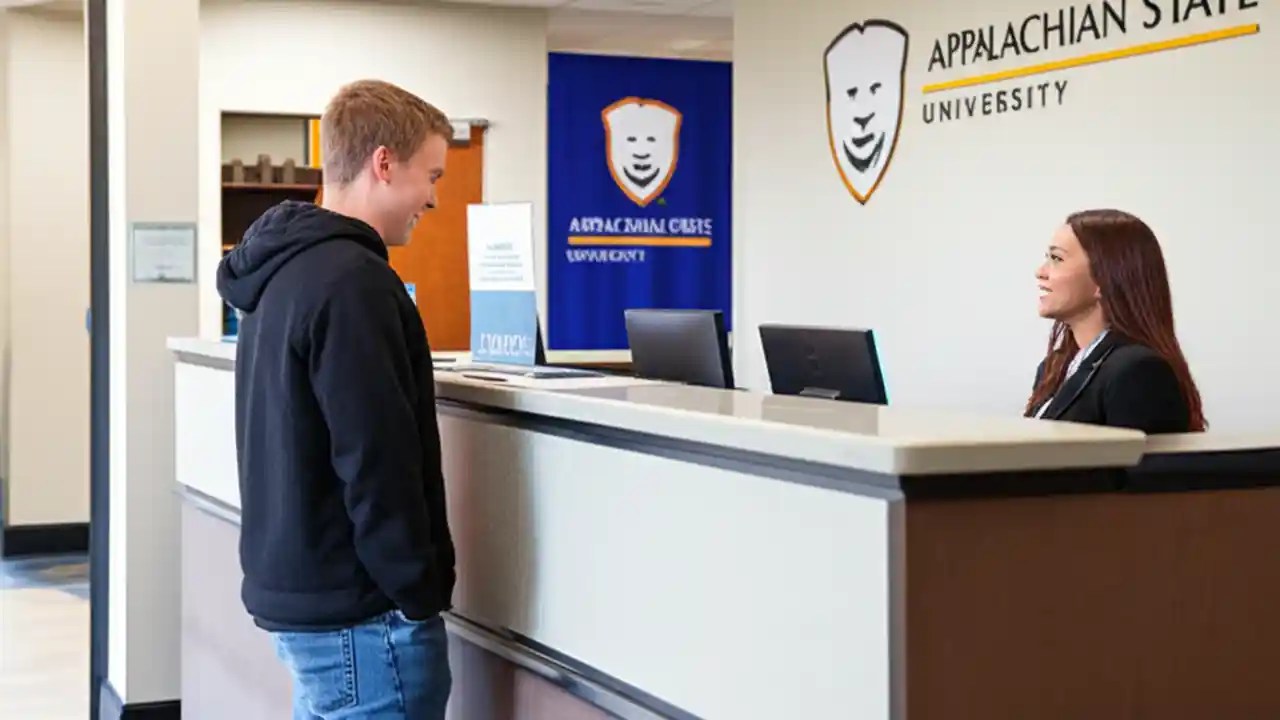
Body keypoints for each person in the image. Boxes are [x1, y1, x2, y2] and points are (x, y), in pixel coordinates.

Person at [215, 79, 456, 719]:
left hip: (308, 601)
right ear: (384, 163)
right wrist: (416, 590)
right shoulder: (355, 284)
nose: (432, 199)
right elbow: (375, 457)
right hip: (365, 616)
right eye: (430, 175)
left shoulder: (282, 274)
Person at [1025, 208, 1206, 434]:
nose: (1040, 272)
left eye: (1057, 258)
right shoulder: (1054, 367)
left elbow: (1139, 468)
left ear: (1104, 276)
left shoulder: (1137, 371)